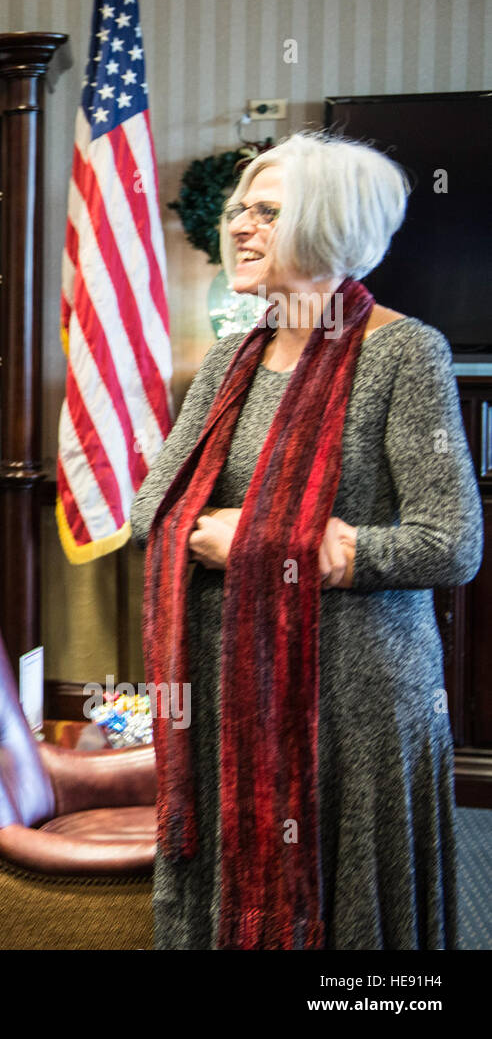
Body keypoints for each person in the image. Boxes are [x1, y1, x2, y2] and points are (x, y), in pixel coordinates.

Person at [131, 131, 483, 949]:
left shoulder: (406, 352)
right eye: (237, 211)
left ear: (329, 225)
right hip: (227, 695)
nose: (241, 228)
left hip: (354, 707)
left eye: (266, 212)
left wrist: (288, 546)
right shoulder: (228, 361)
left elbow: (452, 541)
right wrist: (262, 536)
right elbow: (152, 507)